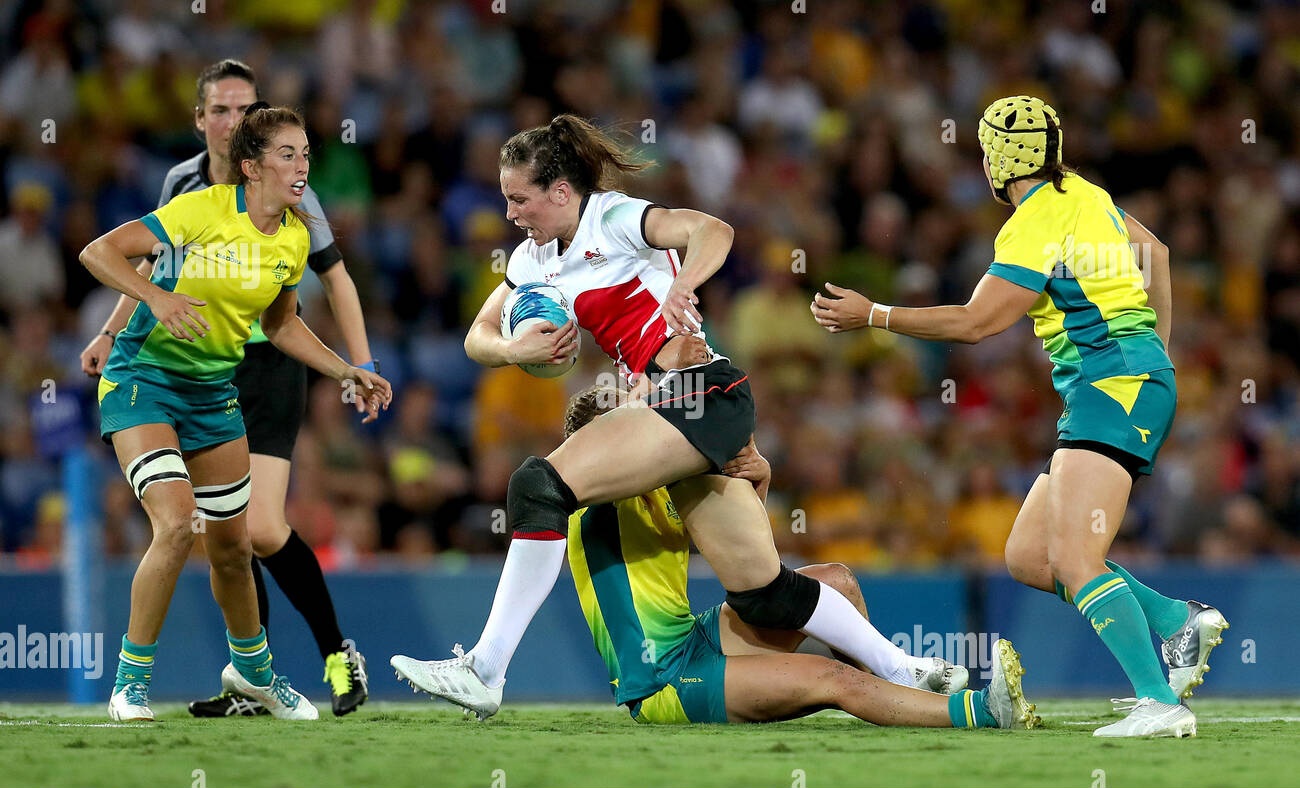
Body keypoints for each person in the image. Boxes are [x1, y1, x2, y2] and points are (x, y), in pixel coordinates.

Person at [391, 114, 978, 720]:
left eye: (520, 199)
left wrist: (685, 284)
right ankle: (910, 669)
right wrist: (516, 350)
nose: (511, 213)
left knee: (538, 487)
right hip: (680, 407)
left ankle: (486, 668)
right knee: (764, 594)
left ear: (561, 192)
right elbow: (476, 338)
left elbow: (713, 230)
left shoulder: (614, 218)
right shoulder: (533, 260)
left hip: (701, 391)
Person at [811, 95, 1227, 738]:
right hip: (1127, 382)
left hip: (1113, 387)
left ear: (995, 161)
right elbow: (1160, 256)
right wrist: (1159, 350)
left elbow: (976, 323)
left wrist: (875, 315)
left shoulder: (1031, 223)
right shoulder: (1088, 195)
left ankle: (1160, 703)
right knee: (1030, 555)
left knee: (1076, 557)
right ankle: (1175, 620)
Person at [79, 60, 378, 718]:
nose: (303, 167)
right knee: (180, 522)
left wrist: (349, 367)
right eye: (288, 155)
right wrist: (148, 302)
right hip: (148, 379)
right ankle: (130, 685)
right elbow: (102, 252)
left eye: (307, 154)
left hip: (224, 386)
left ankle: (260, 674)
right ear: (250, 162)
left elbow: (280, 322)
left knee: (239, 542)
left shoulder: (295, 235)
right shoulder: (194, 201)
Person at [549, 384, 1034, 730]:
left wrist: (757, 481)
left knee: (837, 580)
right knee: (831, 677)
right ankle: (979, 713)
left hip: (694, 636)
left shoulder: (656, 487)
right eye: (617, 433)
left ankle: (896, 702)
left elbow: (749, 565)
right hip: (661, 680)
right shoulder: (589, 503)